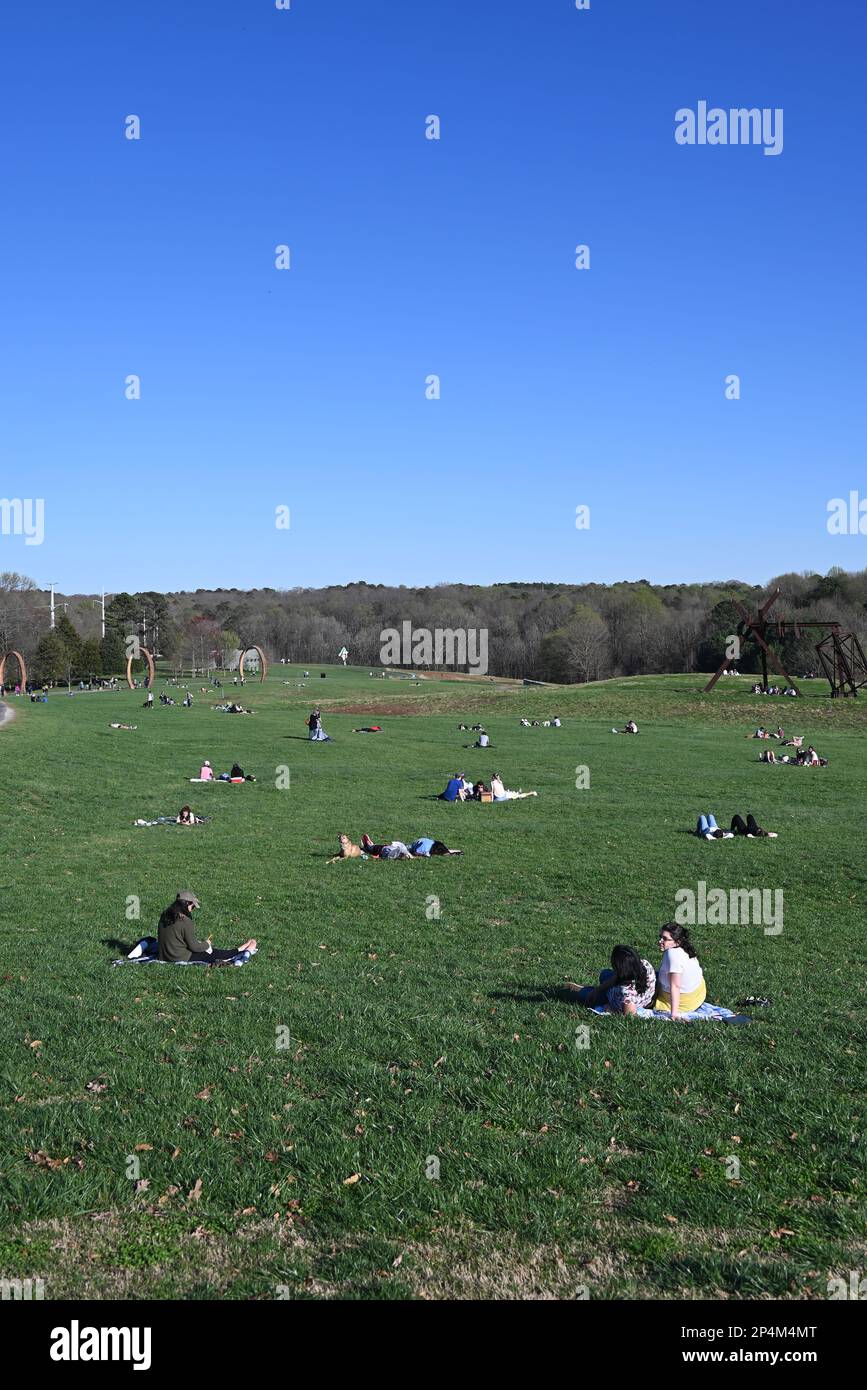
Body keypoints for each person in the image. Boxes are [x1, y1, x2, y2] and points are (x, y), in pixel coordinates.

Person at [157, 891, 256, 963]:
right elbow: (194, 947)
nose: (192, 910)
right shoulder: (185, 921)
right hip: (179, 957)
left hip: (163, 956)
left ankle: (238, 949)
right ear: (186, 904)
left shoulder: (165, 915)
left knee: (205, 948)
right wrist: (207, 944)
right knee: (214, 953)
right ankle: (238, 951)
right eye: (193, 906)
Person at [573, 946, 657, 1015]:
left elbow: (630, 1015)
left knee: (583, 994)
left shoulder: (626, 994)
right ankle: (593, 989)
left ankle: (584, 989)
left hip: (611, 1000)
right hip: (645, 998)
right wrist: (598, 989)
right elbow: (617, 977)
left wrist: (609, 1008)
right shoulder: (645, 965)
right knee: (605, 973)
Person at [654, 924, 706, 1019]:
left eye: (665, 939)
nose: (660, 941)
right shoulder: (685, 948)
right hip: (698, 994)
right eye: (660, 937)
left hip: (684, 1002)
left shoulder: (672, 955)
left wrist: (674, 1013)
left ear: (677, 942)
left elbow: (676, 986)